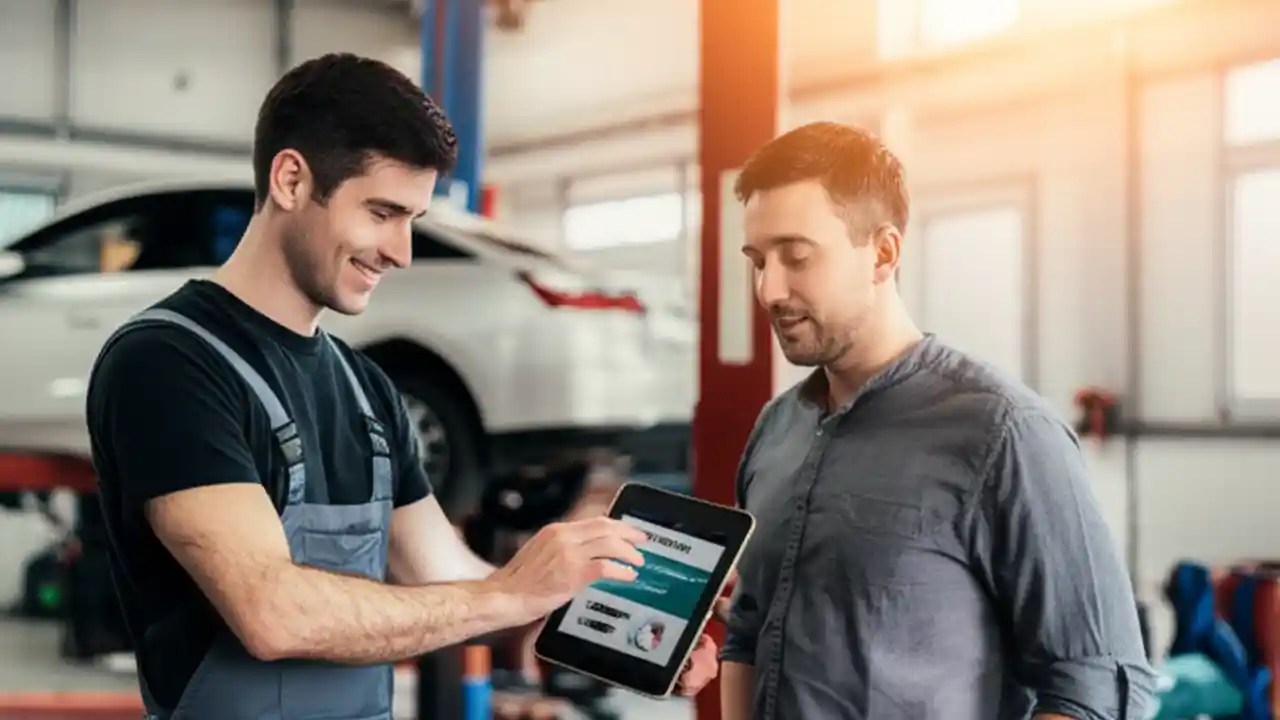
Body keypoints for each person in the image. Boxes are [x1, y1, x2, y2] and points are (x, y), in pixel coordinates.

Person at [84, 53, 718, 719]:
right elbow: (272, 613)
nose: (401, 251)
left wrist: (633, 630)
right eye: (382, 212)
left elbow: (445, 575)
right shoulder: (167, 364)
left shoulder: (368, 391)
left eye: (411, 218)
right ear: (292, 180)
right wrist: (510, 595)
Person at [715, 122, 1157, 719]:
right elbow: (747, 631)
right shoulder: (776, 431)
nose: (768, 290)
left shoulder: (1003, 432)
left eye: (795, 256)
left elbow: (1096, 685)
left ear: (884, 252)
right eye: (757, 260)